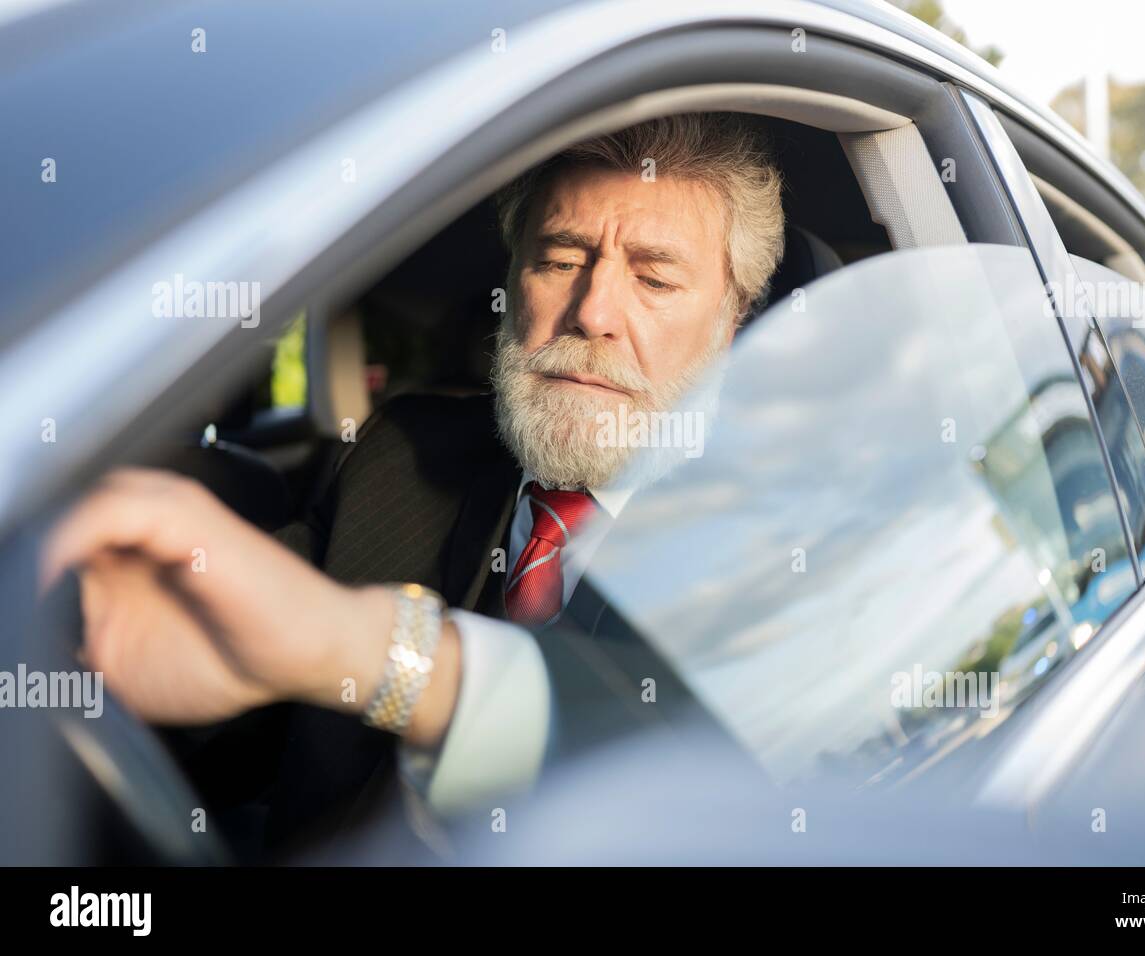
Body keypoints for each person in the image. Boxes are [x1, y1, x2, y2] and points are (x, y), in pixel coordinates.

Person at [40, 112, 786, 847]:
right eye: (560, 261)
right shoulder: (402, 455)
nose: (592, 312)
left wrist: (377, 654)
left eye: (654, 278)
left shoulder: (783, 545)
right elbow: (235, 708)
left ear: (732, 321)